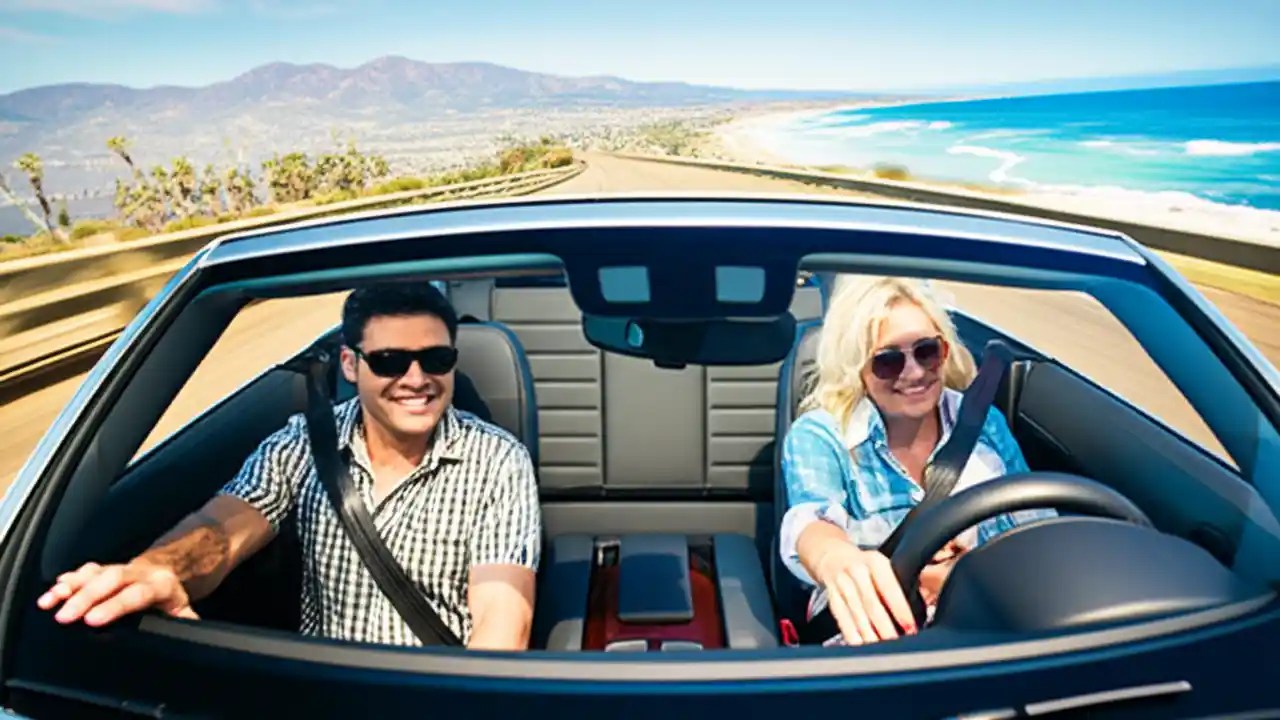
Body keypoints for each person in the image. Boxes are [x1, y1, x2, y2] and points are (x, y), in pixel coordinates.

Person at [37, 282, 542, 650]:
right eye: (389, 360)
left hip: (430, 696)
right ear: (350, 365)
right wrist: (160, 569)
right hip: (317, 695)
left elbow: (502, 621)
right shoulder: (301, 443)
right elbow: (220, 529)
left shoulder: (498, 461)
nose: (417, 378)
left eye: (436, 359)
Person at [778, 275, 1053, 646]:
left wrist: (963, 575)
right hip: (887, 646)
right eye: (888, 361)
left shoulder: (983, 423)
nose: (914, 372)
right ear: (856, 367)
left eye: (926, 350)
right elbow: (812, 522)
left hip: (995, 629)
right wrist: (835, 559)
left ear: (945, 350)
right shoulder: (822, 435)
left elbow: (1037, 526)